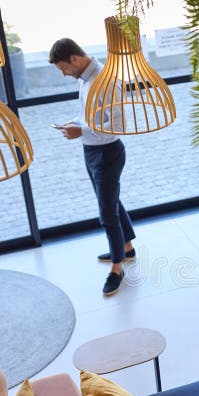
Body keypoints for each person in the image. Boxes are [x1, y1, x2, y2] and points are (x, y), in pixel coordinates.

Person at [49, 38, 136, 296]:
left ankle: (117, 268)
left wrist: (82, 131)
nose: (64, 74)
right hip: (91, 149)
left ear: (75, 59)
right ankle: (127, 248)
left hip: (108, 152)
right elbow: (91, 116)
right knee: (110, 200)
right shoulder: (84, 80)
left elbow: (117, 126)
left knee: (107, 211)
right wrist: (75, 123)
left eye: (64, 68)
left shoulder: (107, 81)